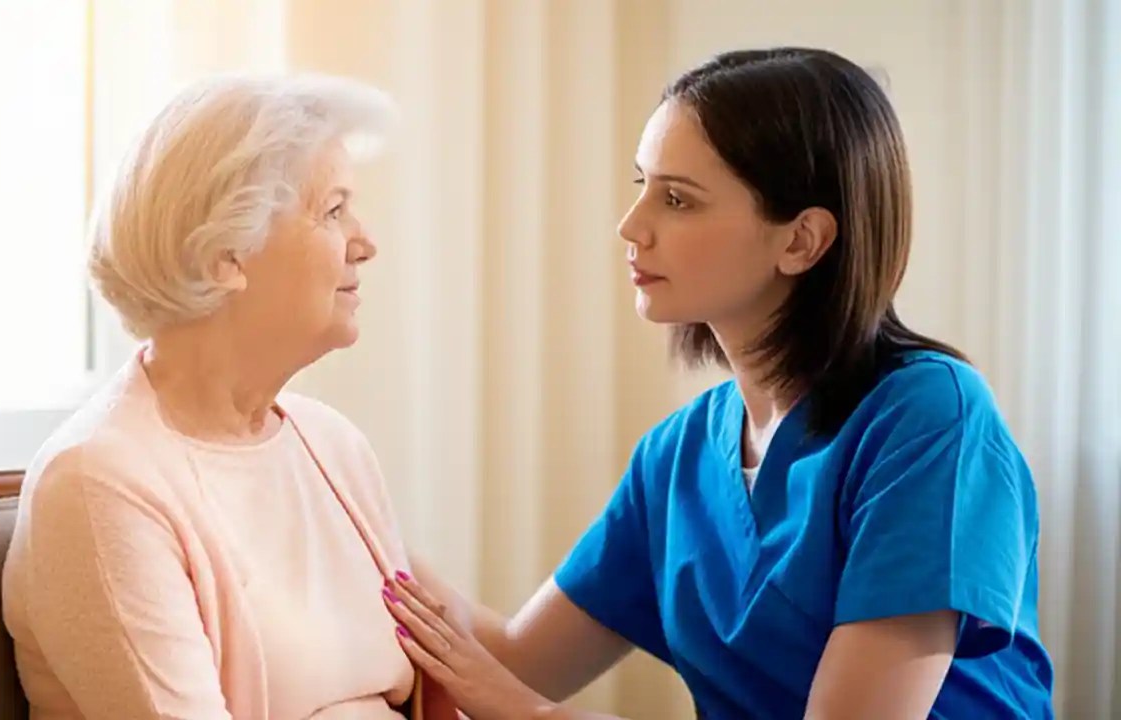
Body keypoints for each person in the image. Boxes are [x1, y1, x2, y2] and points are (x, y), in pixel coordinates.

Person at [384, 47, 1055, 719]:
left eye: (677, 198)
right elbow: (511, 660)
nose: (630, 225)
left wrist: (530, 715)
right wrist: (338, 488)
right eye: (641, 184)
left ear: (801, 242)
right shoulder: (676, 457)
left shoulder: (930, 419)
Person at [2, 74, 422, 719]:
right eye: (333, 211)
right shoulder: (99, 483)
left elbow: (434, 681)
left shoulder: (333, 444)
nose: (364, 243)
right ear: (227, 253)